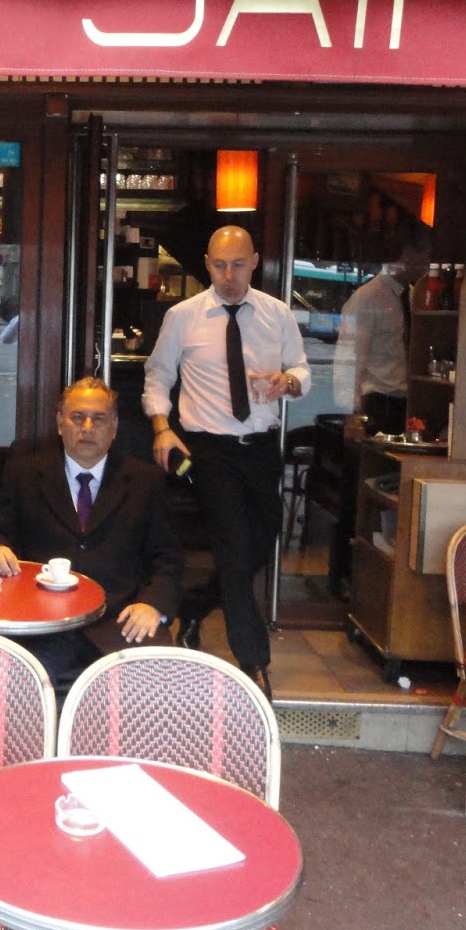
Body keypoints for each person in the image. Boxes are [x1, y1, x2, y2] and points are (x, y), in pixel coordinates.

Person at [144, 225, 310, 698]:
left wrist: (289, 382)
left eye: (237, 264)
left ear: (254, 261)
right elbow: (158, 374)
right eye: (219, 265)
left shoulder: (276, 314)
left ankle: (195, 606)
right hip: (206, 450)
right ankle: (253, 662)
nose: (228, 274)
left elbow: (302, 368)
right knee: (235, 548)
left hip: (259, 448)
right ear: (207, 262)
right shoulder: (184, 316)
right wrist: (162, 425)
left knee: (261, 540)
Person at [0, 376, 183, 691]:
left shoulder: (144, 482)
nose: (87, 427)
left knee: (158, 691)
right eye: (77, 417)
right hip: (43, 626)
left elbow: (169, 560)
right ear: (59, 423)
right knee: (13, 685)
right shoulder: (25, 473)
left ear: (114, 426)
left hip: (120, 623)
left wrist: (152, 604)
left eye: (98, 419)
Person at [340, 229, 431, 436]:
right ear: (408, 254)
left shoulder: (412, 295)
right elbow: (350, 361)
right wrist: (352, 414)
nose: (428, 263)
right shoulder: (367, 298)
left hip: (407, 402)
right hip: (378, 402)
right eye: (426, 255)